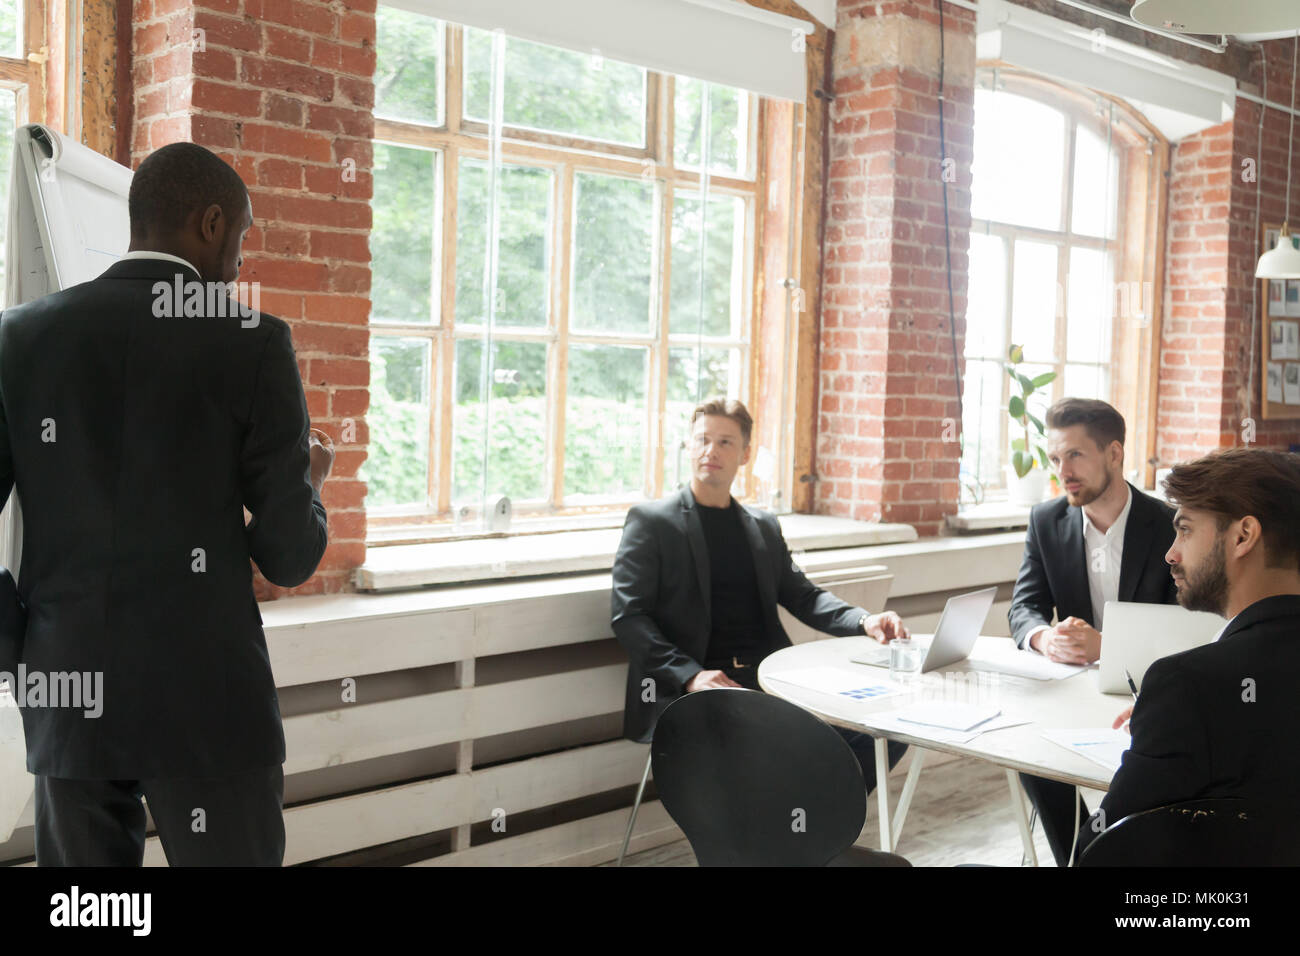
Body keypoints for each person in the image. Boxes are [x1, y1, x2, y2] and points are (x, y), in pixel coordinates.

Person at [0, 142, 333, 866]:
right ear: (211, 223)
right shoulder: (254, 343)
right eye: (242, 236)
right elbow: (287, 555)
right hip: (208, 705)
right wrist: (311, 478)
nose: (241, 262)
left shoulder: (17, 339)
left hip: (67, 694)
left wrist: (19, 649)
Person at [611, 398, 908, 793]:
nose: (710, 451)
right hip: (695, 688)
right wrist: (690, 676)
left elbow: (803, 595)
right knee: (781, 748)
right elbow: (629, 617)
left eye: (725, 443)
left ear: (745, 454)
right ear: (689, 445)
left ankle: (799, 829)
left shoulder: (762, 526)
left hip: (769, 677)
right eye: (702, 440)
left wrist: (863, 620)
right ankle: (788, 832)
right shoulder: (652, 523)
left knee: (886, 733)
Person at [1077, 448, 1300, 859]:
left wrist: (1170, 720)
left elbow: (1098, 852)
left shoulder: (1185, 686)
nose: (1171, 553)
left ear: (1242, 536)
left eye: (1186, 530)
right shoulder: (1190, 692)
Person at [1006, 397, 1176, 865]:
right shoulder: (1046, 521)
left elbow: (1189, 630)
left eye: (1075, 455)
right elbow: (1024, 607)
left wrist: (1109, 647)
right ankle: (1077, 860)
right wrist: (1045, 637)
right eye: (1056, 458)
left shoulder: (1168, 526)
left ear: (1115, 454)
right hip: (1072, 692)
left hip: (1147, 694)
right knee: (1030, 753)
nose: (1064, 470)